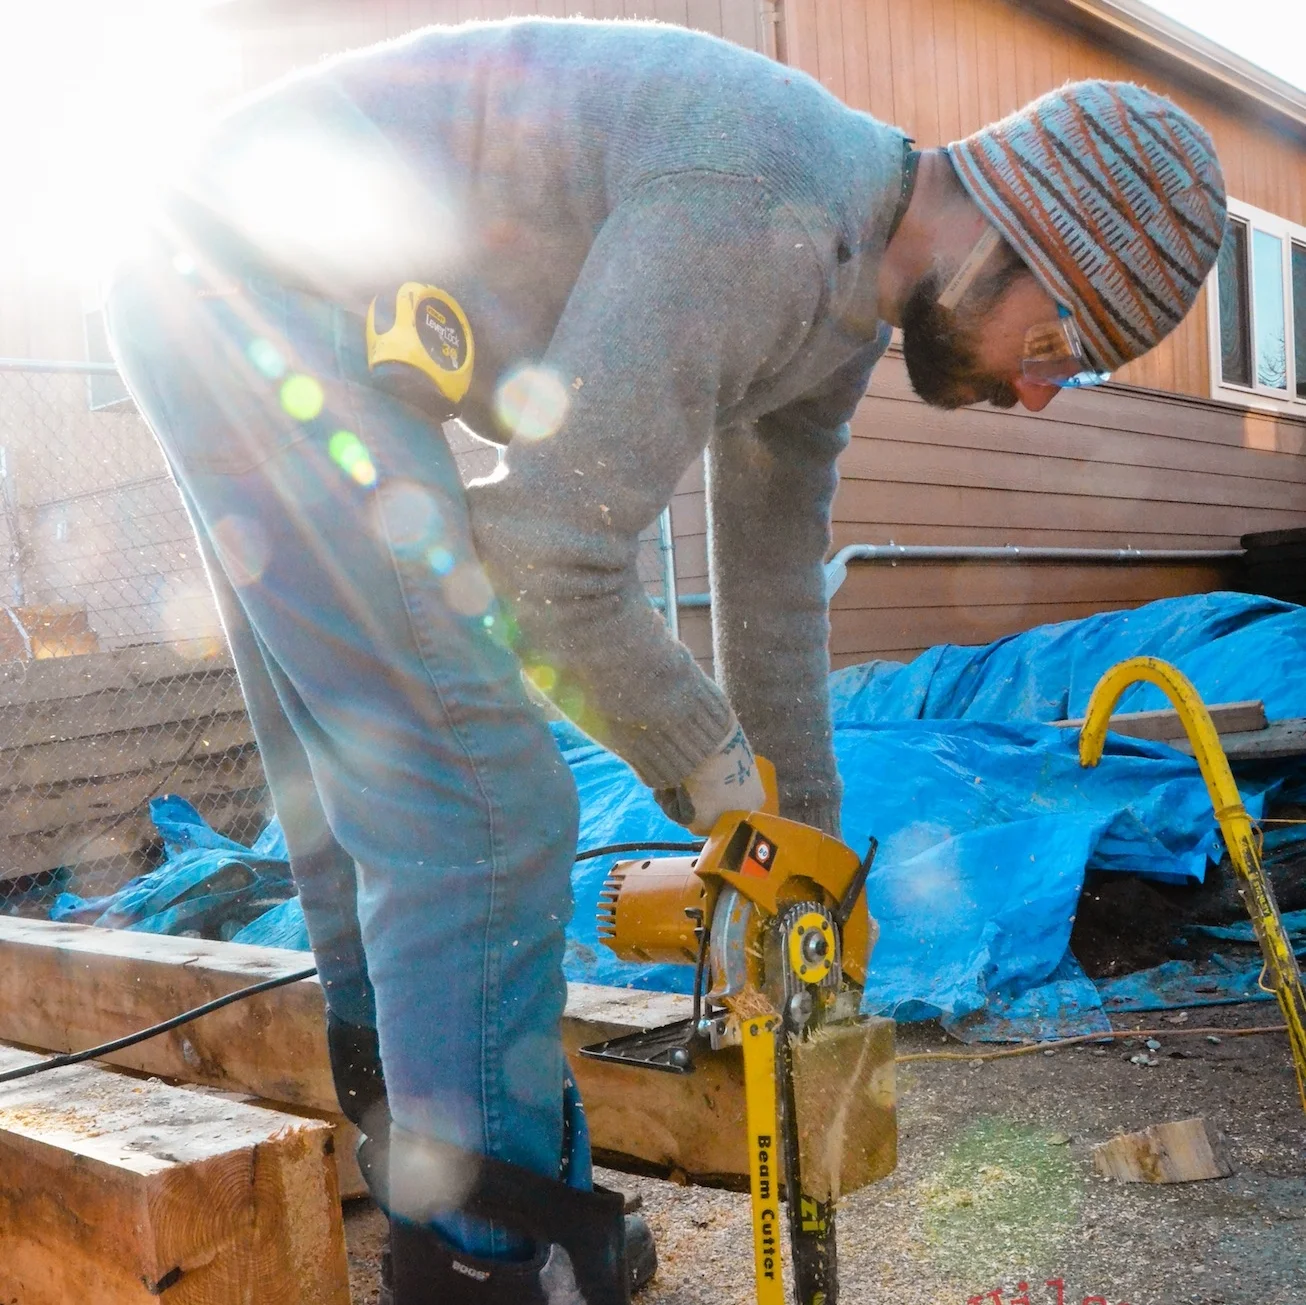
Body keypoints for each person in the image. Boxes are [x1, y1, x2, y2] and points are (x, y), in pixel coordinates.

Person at [104, 17, 1226, 1304]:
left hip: (274, 298)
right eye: (1055, 348)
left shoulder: (844, 288)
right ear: (1016, 234)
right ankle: (488, 1257)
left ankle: (437, 1167)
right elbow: (542, 563)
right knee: (484, 799)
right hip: (254, 290)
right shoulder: (767, 211)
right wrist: (714, 778)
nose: (1038, 395)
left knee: (361, 771)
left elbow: (771, 582)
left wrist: (807, 860)